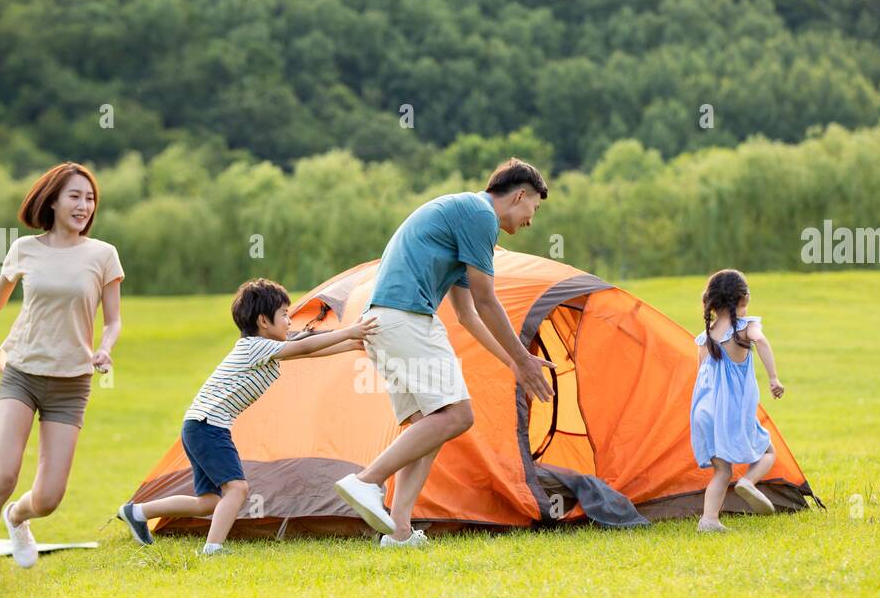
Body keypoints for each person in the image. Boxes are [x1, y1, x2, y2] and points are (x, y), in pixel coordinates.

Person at [0, 162, 123, 597]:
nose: (83, 205)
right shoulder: (26, 249)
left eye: (89, 199)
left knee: (49, 497)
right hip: (22, 373)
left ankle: (17, 518)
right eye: (74, 196)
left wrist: (105, 347)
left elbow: (113, 321)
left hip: (71, 383)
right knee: (2, 475)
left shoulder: (103, 254)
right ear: (52, 200)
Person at [333, 158, 556, 547]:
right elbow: (488, 302)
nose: (531, 219)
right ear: (519, 195)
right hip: (407, 318)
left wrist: (512, 361)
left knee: (427, 424)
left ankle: (399, 530)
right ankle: (366, 480)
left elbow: (468, 314)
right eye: (533, 207)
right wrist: (522, 357)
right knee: (457, 415)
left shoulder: (462, 219)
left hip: (386, 322)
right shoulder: (479, 216)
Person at [117, 279, 377, 555]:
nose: (290, 321)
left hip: (199, 426)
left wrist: (350, 345)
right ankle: (213, 549)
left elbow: (308, 346)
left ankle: (138, 511)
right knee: (237, 489)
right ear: (264, 321)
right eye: (285, 315)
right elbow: (304, 348)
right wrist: (350, 331)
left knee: (208, 501)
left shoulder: (264, 348)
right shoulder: (256, 348)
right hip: (209, 427)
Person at [689, 268, 786, 533]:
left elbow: (702, 375)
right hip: (730, 411)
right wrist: (773, 378)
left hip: (703, 412)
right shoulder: (745, 328)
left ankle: (709, 521)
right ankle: (749, 482)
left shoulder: (705, 335)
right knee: (768, 451)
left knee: (721, 471)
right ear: (742, 299)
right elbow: (762, 342)